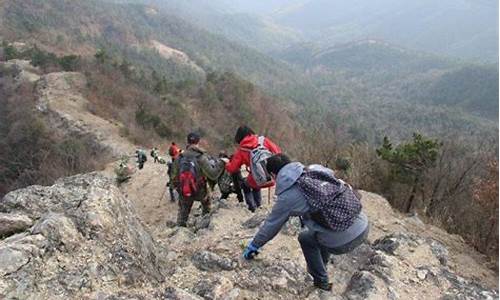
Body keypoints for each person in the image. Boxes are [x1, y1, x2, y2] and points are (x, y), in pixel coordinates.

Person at [242, 154, 369, 291]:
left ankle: (321, 282)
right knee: (316, 231)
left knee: (306, 238)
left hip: (344, 241)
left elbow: (271, 225)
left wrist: (254, 246)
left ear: (273, 174)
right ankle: (322, 266)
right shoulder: (316, 171)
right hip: (363, 223)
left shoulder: (287, 197)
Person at [171, 132, 225, 227]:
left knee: (183, 212)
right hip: (200, 192)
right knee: (206, 204)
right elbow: (213, 175)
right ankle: (204, 224)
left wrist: (177, 188)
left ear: (187, 142)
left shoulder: (180, 157)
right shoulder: (201, 157)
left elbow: (173, 176)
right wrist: (222, 163)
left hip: (184, 192)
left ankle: (180, 229)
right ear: (198, 142)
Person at [226, 126, 281, 212]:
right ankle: (258, 205)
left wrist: (226, 164)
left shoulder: (242, 149)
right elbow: (278, 152)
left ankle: (252, 207)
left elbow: (232, 168)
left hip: (258, 180)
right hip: (272, 177)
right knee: (255, 181)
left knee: (246, 184)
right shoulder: (263, 141)